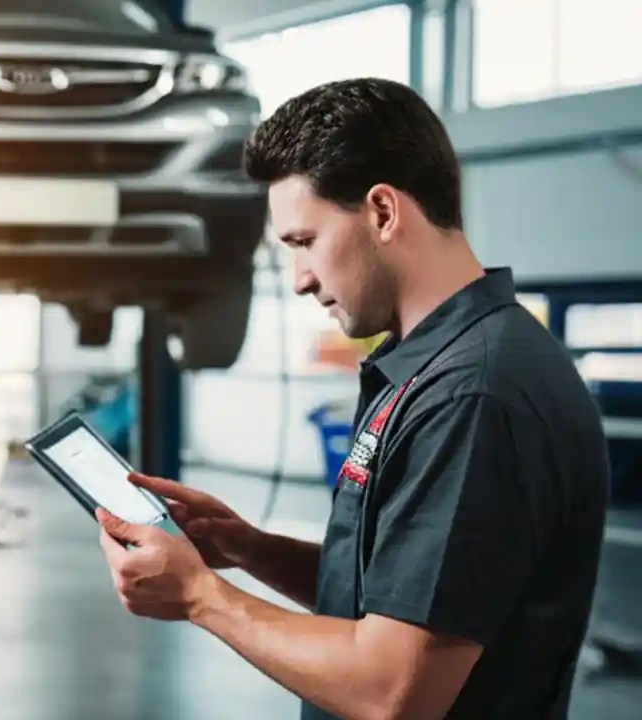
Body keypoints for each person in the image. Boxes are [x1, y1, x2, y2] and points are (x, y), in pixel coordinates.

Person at [94, 77, 609, 719]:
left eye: (305, 242)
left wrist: (202, 596)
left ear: (383, 212)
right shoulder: (434, 364)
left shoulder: (473, 395)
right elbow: (406, 598)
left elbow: (393, 690)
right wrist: (251, 548)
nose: (301, 279)